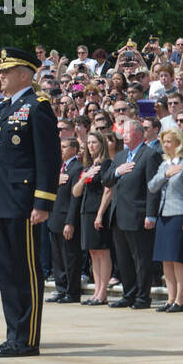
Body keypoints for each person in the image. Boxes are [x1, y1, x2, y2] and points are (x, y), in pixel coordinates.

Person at [0, 48, 62, 357]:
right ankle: (13, 336)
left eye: (5, 72)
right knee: (7, 271)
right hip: (3, 198)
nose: (0, 76)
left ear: (24, 74)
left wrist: (43, 202)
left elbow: (48, 158)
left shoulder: (38, 106)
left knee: (26, 271)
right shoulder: (5, 108)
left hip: (24, 201)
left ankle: (28, 339)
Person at [104, 119, 160, 310]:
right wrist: (117, 172)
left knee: (141, 259)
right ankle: (128, 294)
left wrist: (151, 215)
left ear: (137, 133)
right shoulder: (120, 157)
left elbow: (153, 187)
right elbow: (107, 180)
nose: (123, 136)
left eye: (126, 133)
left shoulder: (150, 155)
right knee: (123, 259)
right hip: (119, 215)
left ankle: (143, 297)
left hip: (138, 214)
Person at [149, 128, 183, 312]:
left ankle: (180, 299)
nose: (165, 145)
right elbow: (152, 186)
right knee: (165, 260)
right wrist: (166, 174)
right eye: (164, 142)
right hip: (163, 214)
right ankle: (170, 298)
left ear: (178, 142)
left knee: (177, 259)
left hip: (179, 214)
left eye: (169, 141)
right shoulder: (164, 165)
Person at [72, 131, 114, 305]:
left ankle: (103, 292)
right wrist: (84, 179)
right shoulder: (87, 166)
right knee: (92, 252)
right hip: (86, 210)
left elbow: (108, 190)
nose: (91, 146)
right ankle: (96, 289)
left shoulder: (106, 164)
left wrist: (100, 214)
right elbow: (76, 192)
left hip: (99, 210)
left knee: (103, 252)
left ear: (101, 144)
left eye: (94, 142)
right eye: (88, 143)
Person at [46, 136, 83, 304]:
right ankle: (61, 289)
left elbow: (75, 199)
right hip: (54, 217)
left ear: (74, 149)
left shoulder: (77, 168)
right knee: (58, 257)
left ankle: (72, 291)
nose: (61, 149)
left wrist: (70, 222)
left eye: (64, 146)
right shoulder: (57, 168)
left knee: (70, 257)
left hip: (66, 218)